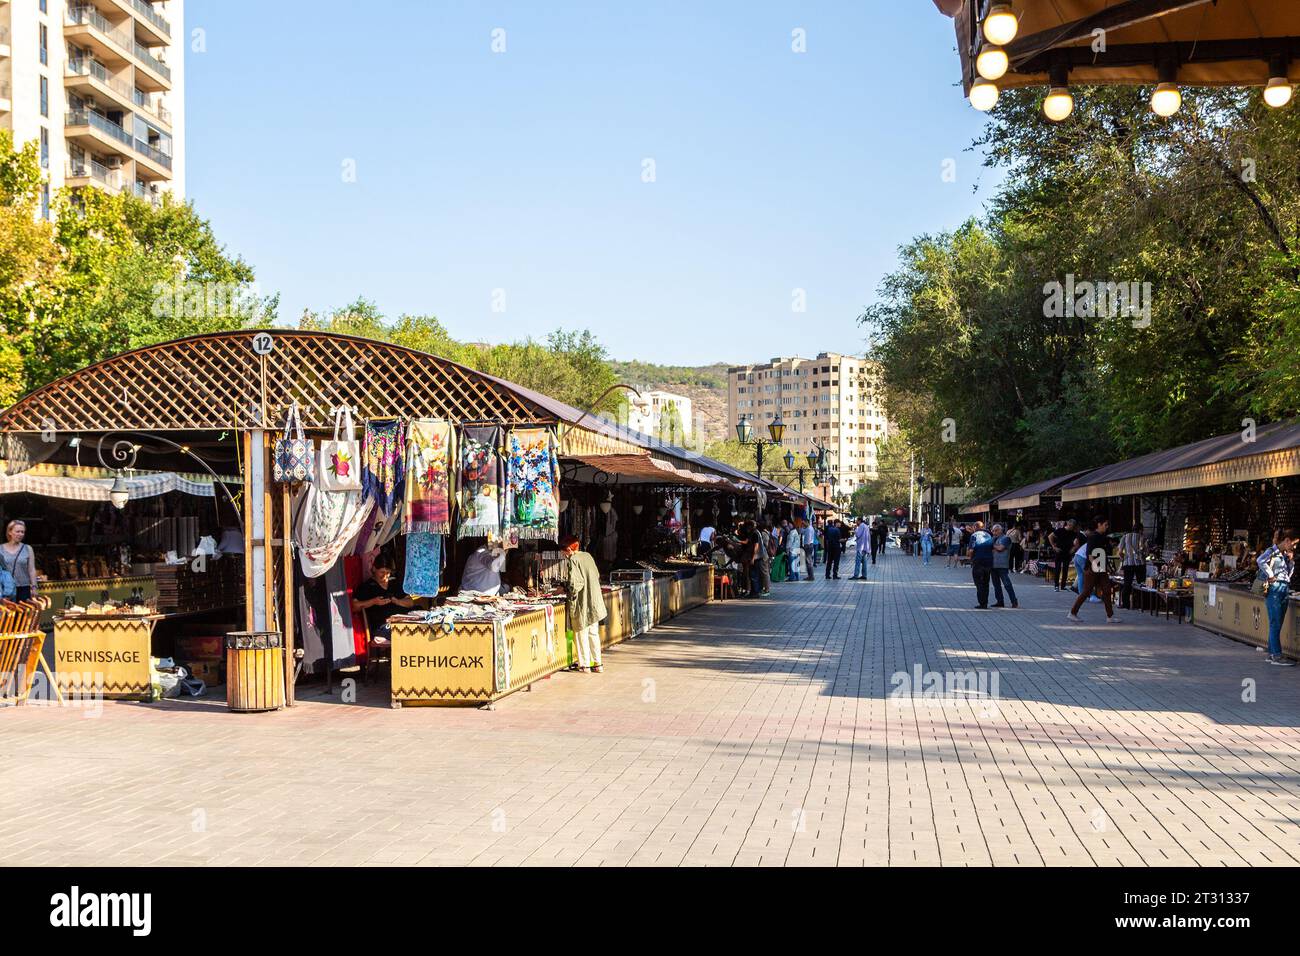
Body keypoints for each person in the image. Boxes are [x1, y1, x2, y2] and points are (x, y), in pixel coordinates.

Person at [561, 535, 607, 672]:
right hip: (594, 600)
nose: (563, 554)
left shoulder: (573, 560)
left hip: (582, 602)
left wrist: (565, 588)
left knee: (581, 633)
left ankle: (584, 665)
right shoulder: (588, 556)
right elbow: (596, 575)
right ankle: (598, 663)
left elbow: (576, 583)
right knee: (593, 632)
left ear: (568, 549)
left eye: (563, 551)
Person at [351, 555, 416, 644]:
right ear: (374, 569)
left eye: (388, 573)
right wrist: (374, 601)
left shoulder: (394, 584)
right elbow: (354, 606)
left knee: (422, 629)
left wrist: (397, 601)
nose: (385, 576)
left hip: (401, 621)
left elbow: (410, 602)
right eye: (382, 572)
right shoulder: (367, 587)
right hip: (381, 626)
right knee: (411, 634)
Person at [1257, 529, 1297, 666]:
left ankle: (1271, 653)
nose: (1294, 547)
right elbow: (1260, 560)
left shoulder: (1285, 554)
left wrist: (1291, 562)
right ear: (1286, 540)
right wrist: (1271, 575)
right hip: (1274, 589)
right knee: (1275, 622)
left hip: (1284, 588)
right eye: (1293, 543)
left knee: (1277, 622)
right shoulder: (1272, 551)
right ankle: (1276, 655)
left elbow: (1288, 574)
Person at [1068, 515, 1117, 623]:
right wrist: (1096, 566)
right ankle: (1072, 613)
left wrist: (1106, 568)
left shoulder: (1101, 536)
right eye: (1105, 525)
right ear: (1099, 525)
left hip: (1101, 568)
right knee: (1086, 591)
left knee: (1107, 591)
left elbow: (1103, 554)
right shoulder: (1094, 537)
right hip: (1093, 568)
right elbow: (1089, 554)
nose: (1107, 527)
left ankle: (1110, 616)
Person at [1, 519, 38, 602]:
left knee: (24, 613)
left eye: (22, 532)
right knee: (8, 614)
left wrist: (34, 587)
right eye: (17, 531)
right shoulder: (1, 549)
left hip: (23, 588)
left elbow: (31, 570)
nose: (20, 534)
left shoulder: (28, 548)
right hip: (6, 589)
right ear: (10, 532)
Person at [1118, 523, 1147, 610]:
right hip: (1140, 564)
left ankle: (1125, 604)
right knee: (1141, 584)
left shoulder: (1125, 537)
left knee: (1127, 584)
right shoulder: (1143, 538)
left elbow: (1119, 552)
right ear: (1140, 530)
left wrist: (1124, 558)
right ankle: (1141, 605)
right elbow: (1147, 552)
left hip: (1128, 563)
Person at [990, 522, 1018, 608]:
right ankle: (1000, 601)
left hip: (1002, 565)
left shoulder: (1006, 538)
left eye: (995, 531)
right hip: (993, 565)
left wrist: (992, 545)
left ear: (1000, 531)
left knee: (1007, 584)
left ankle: (1014, 601)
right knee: (996, 585)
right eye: (993, 531)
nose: (994, 533)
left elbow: (1000, 548)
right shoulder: (994, 539)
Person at [968, 521, 995, 608]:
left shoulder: (974, 536)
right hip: (989, 561)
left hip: (978, 560)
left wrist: (970, 558)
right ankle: (985, 602)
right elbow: (993, 548)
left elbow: (971, 550)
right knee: (986, 582)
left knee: (978, 582)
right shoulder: (989, 535)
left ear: (975, 527)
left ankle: (982, 603)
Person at [1050, 520, 1079, 592]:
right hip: (1059, 551)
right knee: (1058, 568)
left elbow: (1077, 542)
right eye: (1072, 526)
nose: (1072, 528)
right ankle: (1056, 586)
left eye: (1073, 526)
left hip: (1067, 552)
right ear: (1068, 524)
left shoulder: (1073, 533)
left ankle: (1063, 586)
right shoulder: (1060, 530)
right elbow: (1050, 536)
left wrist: (1073, 548)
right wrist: (1054, 547)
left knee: (1065, 569)